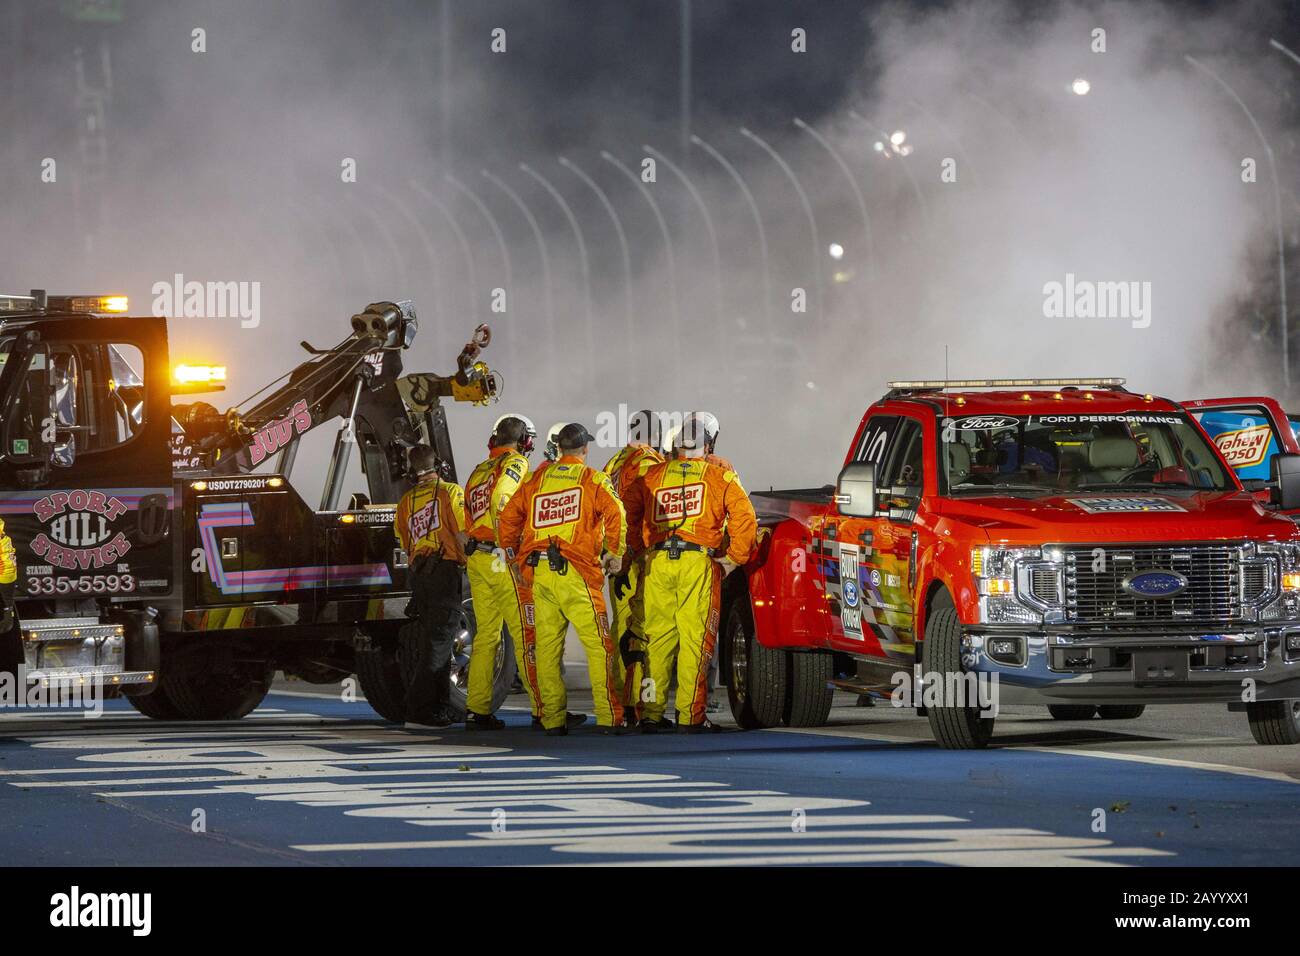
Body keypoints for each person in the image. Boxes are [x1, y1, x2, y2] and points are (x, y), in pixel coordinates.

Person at [624, 412, 756, 733]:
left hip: (657, 565)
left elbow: (628, 512)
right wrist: (733, 558)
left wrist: (639, 549)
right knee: (696, 642)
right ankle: (691, 716)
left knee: (656, 640)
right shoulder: (719, 478)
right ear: (709, 444)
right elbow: (745, 519)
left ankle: (652, 714)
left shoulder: (651, 475)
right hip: (698, 564)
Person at [498, 423, 626, 735]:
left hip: (539, 573)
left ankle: (552, 720)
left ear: (559, 447)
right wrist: (615, 552)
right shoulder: (592, 478)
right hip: (577, 573)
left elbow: (509, 517)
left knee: (546, 648)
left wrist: (513, 556)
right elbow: (617, 513)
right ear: (585, 449)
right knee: (599, 646)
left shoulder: (537, 478)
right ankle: (609, 718)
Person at [461, 416, 543, 730]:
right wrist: (510, 544)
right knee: (526, 631)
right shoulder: (516, 462)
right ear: (524, 441)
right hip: (499, 557)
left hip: (478, 559)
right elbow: (501, 499)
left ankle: (477, 710)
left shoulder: (478, 469)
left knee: (487, 637)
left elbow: (469, 512)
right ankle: (543, 710)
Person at [393, 444, 469, 729]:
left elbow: (403, 541)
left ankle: (440, 707)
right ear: (438, 464)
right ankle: (419, 710)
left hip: (420, 576)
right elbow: (463, 534)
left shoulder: (406, 501)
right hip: (445, 572)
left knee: (436, 641)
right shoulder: (451, 493)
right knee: (438, 644)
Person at [601, 409, 665, 725]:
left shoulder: (613, 463)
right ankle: (638, 705)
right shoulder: (649, 463)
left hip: (615, 557)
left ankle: (620, 704)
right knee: (641, 631)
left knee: (619, 627)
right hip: (637, 558)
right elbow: (647, 511)